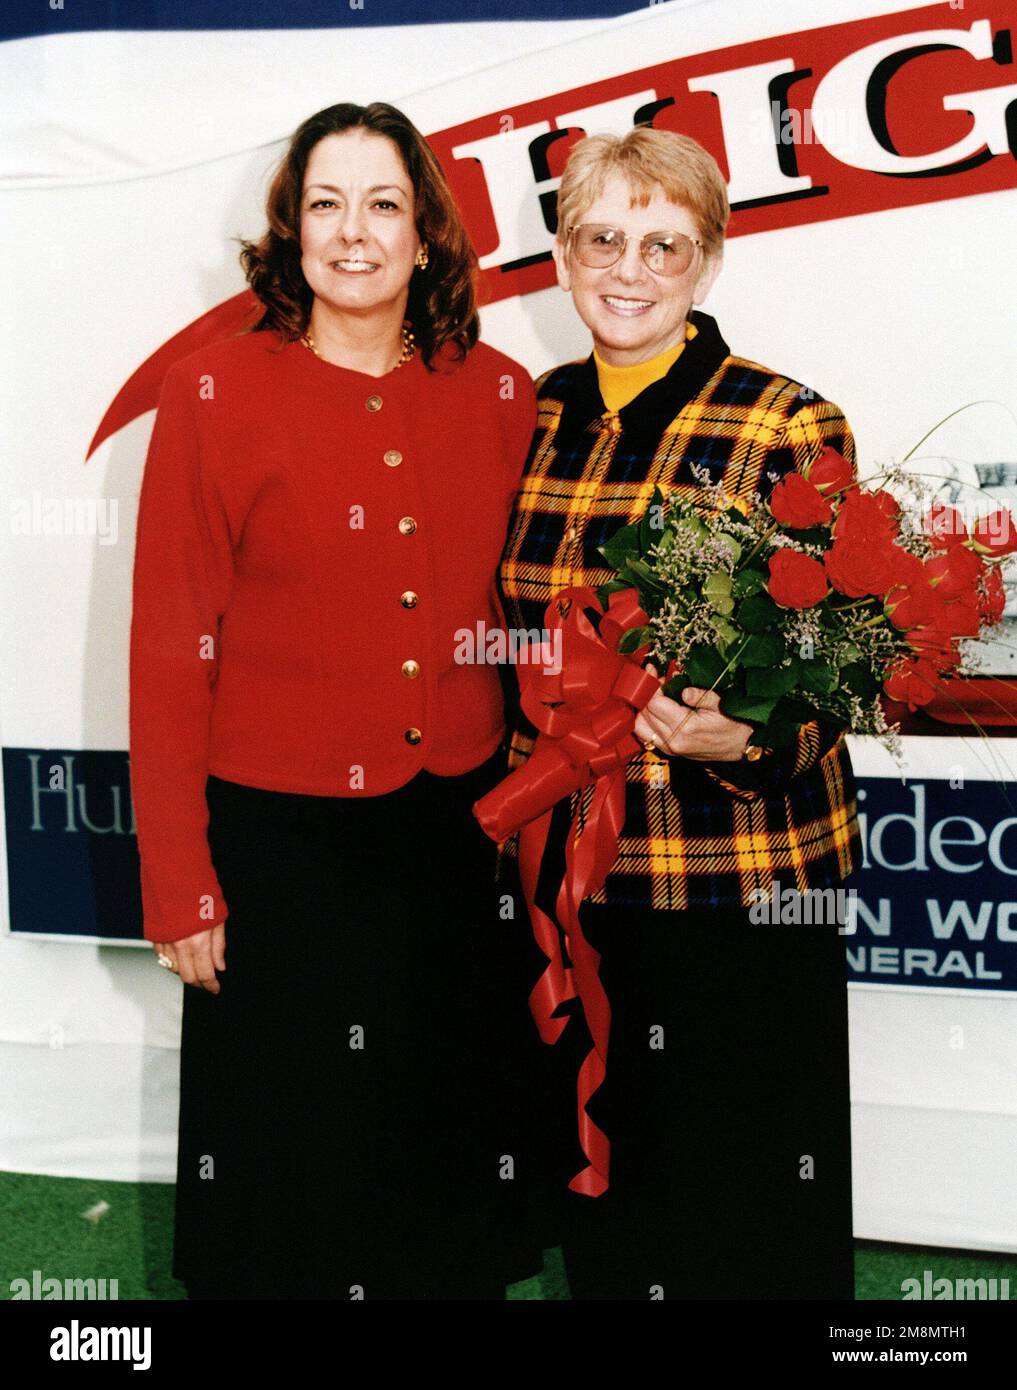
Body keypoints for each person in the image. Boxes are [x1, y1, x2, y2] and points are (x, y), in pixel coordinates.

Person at [129, 101, 547, 1300]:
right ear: (288, 229)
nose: (352, 233)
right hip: (279, 845)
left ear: (426, 235)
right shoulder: (211, 396)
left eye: (383, 205)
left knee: (440, 1152)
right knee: (289, 1170)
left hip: (454, 833)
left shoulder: (503, 393)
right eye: (325, 203)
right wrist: (181, 879)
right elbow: (168, 652)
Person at [496, 125, 862, 1300]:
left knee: (755, 1196)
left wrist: (754, 739)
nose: (630, 267)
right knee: (612, 1177)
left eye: (665, 243)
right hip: (575, 873)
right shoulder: (535, 415)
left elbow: (840, 652)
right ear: (561, 255)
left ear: (708, 262)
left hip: (740, 874)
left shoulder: (786, 421)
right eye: (602, 237)